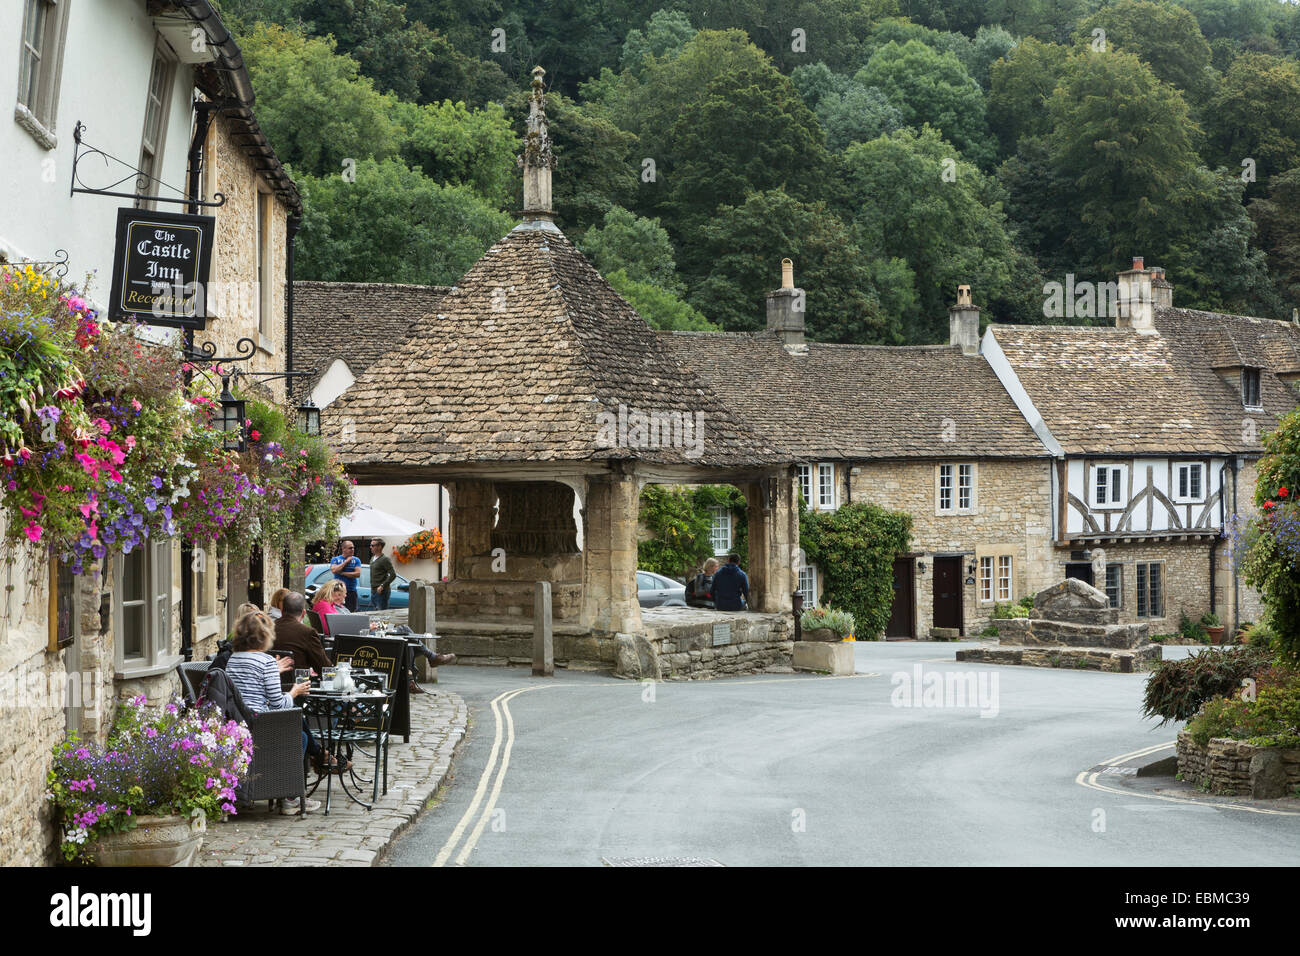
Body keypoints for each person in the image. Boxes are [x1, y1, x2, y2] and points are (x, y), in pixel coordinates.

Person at [224, 611, 323, 815]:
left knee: (300, 732)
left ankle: (284, 792)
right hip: (262, 727)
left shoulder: (233, 659)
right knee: (301, 737)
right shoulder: (266, 661)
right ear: (265, 635)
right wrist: (295, 691)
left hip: (239, 726)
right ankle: (289, 798)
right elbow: (278, 704)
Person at [273, 592, 331, 690]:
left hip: (270, 686)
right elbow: (323, 668)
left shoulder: (266, 628)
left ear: (282, 611)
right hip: (298, 689)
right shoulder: (307, 632)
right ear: (304, 613)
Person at [330, 540, 362, 612]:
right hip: (338, 591)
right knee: (338, 611)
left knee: (351, 612)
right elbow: (334, 570)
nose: (352, 550)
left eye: (353, 548)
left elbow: (357, 574)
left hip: (351, 591)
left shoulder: (356, 560)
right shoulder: (336, 559)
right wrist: (346, 562)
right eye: (350, 548)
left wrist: (342, 573)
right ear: (343, 549)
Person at [369, 538, 396, 611]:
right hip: (373, 591)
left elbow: (393, 574)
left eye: (372, 545)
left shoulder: (385, 559)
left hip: (382, 592)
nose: (370, 547)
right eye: (370, 545)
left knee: (381, 614)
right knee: (375, 613)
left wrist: (382, 586)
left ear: (379, 547)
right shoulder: (372, 558)